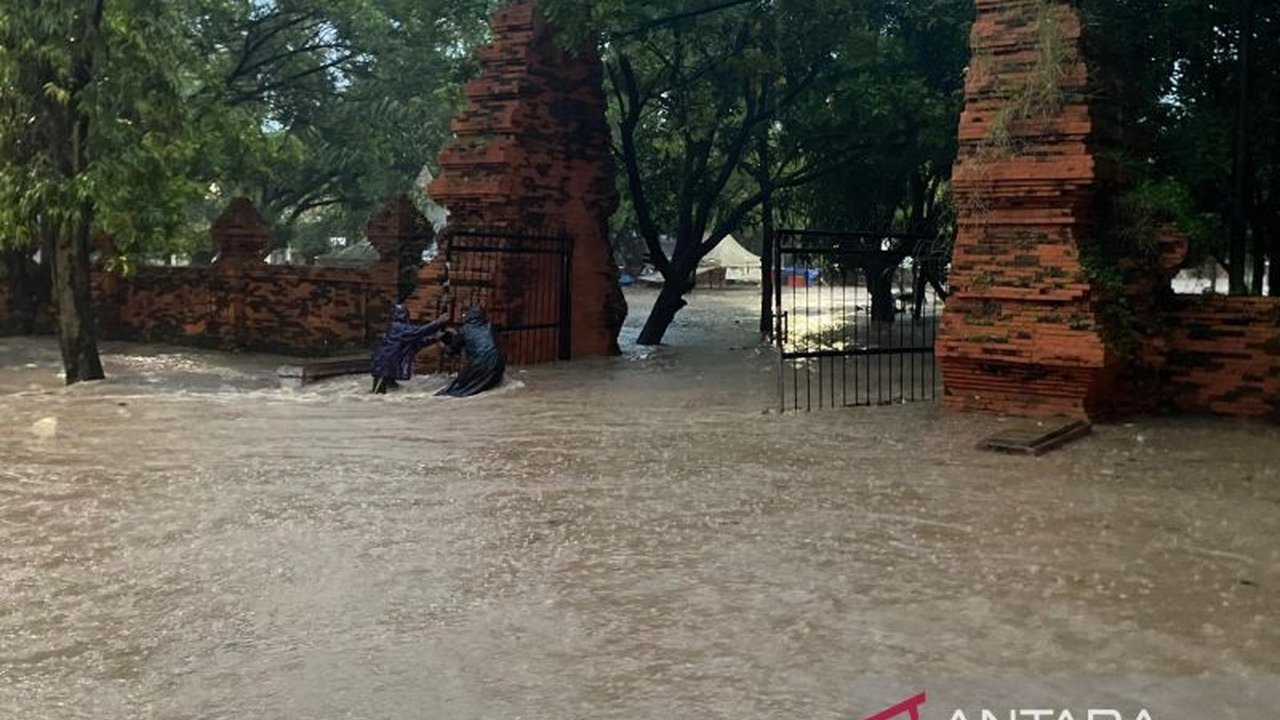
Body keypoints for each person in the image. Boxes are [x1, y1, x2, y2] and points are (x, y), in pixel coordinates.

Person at [370, 305, 445, 394]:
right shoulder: (397, 327)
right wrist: (437, 323)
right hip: (384, 365)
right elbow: (418, 332)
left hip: (390, 365)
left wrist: (434, 338)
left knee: (390, 391)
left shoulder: (402, 332)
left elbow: (417, 343)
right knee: (378, 393)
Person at [436, 304, 506, 397]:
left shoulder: (464, 330)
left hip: (480, 364)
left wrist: (442, 346)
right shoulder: (491, 327)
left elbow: (452, 350)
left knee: (453, 391)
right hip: (499, 363)